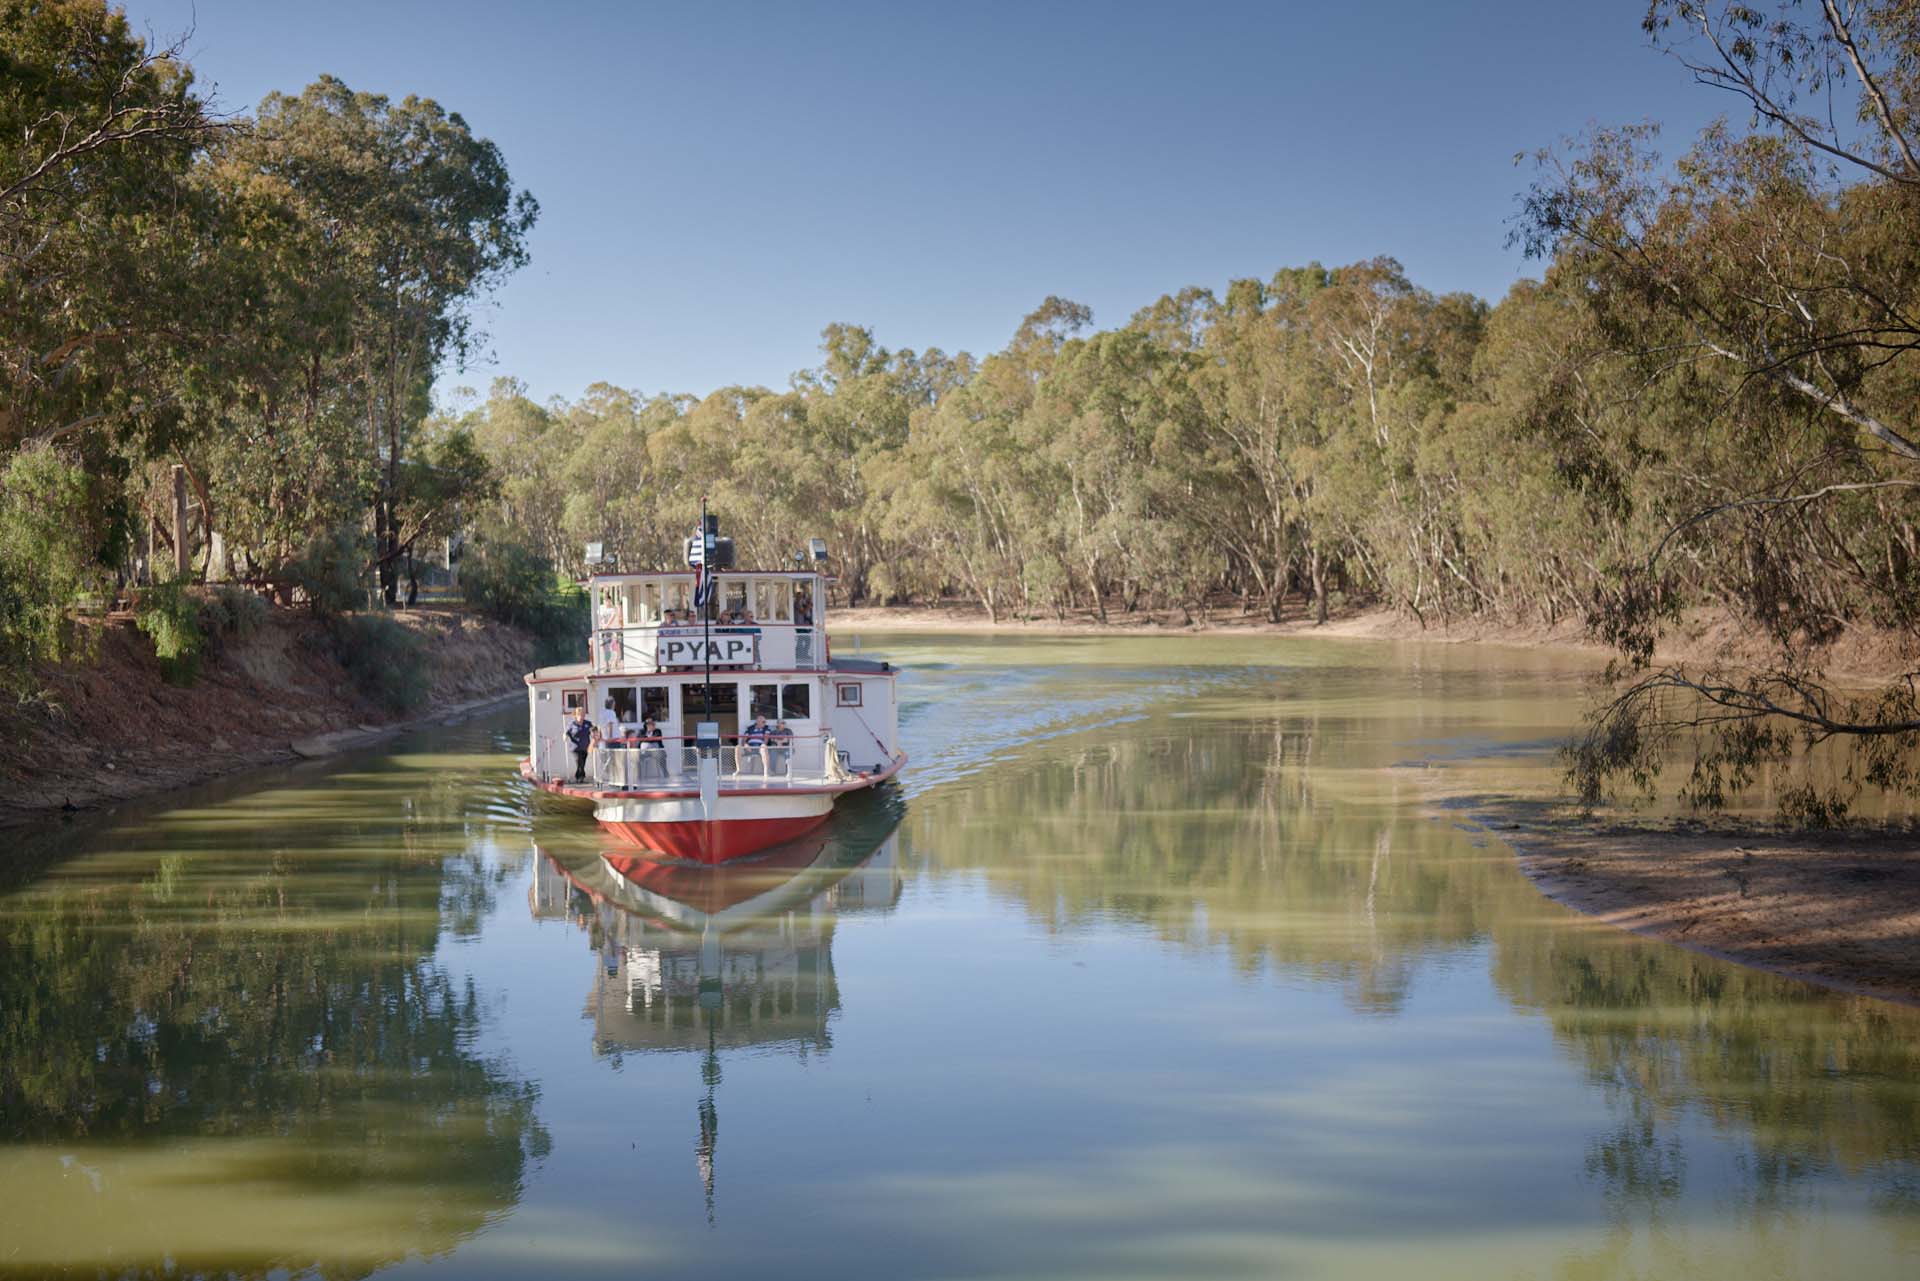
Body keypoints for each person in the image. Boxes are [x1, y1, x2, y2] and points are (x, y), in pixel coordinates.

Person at [565, 707, 595, 782]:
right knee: (579, 761)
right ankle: (581, 777)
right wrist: (565, 736)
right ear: (577, 715)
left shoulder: (588, 723)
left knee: (582, 763)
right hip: (575, 747)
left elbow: (593, 731)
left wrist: (594, 734)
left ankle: (578, 777)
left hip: (585, 747)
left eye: (583, 714)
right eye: (581, 714)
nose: (583, 716)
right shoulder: (572, 724)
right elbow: (566, 733)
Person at [638, 716, 666, 781]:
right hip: (644, 752)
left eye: (651, 723)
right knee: (637, 758)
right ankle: (639, 776)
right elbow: (640, 738)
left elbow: (656, 738)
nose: (650, 725)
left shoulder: (657, 731)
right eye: (648, 724)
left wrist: (647, 739)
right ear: (646, 725)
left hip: (656, 751)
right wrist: (649, 736)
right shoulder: (642, 731)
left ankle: (665, 773)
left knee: (662, 756)